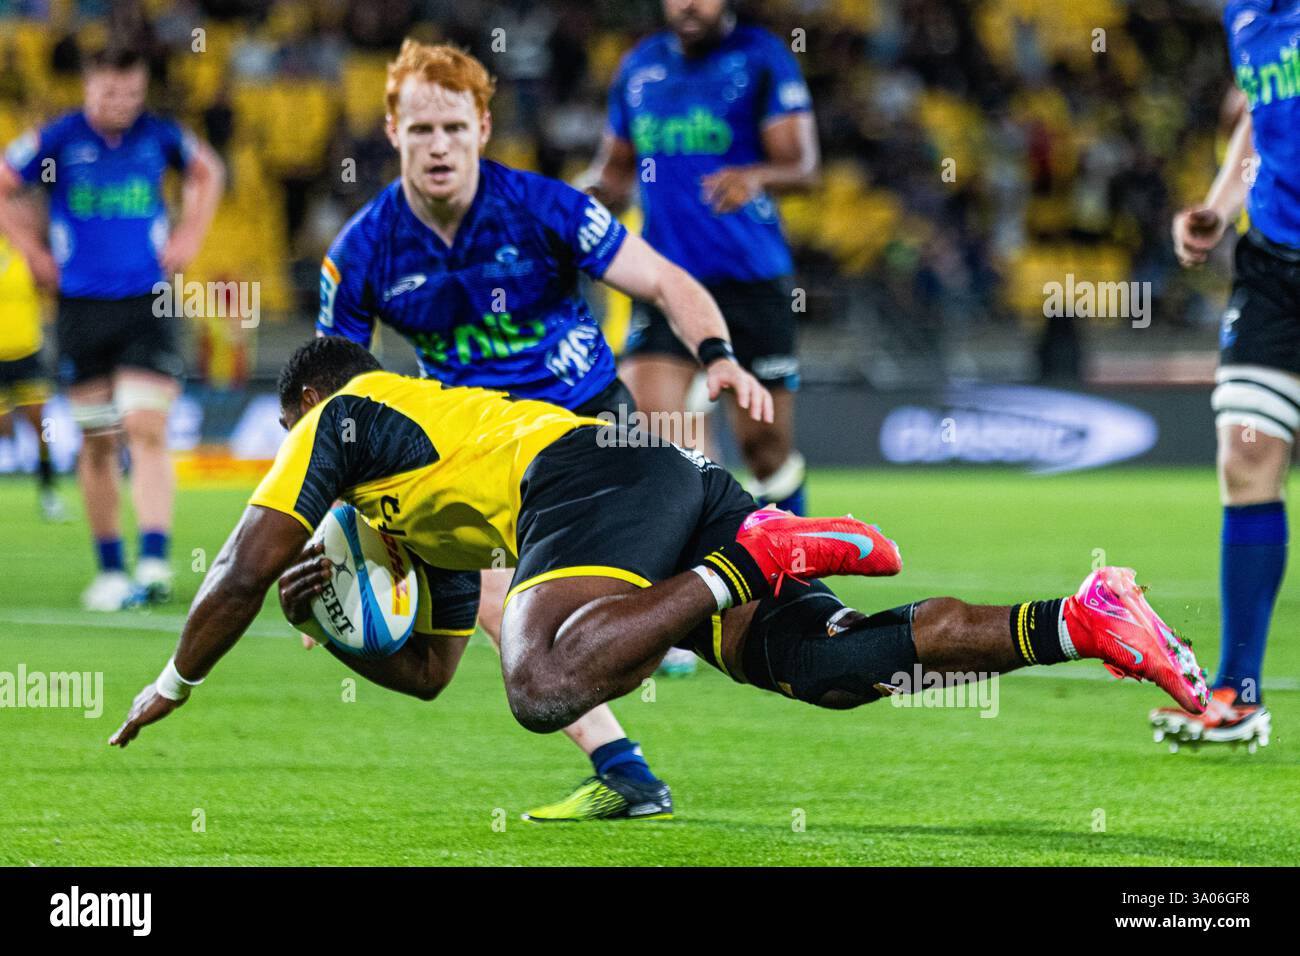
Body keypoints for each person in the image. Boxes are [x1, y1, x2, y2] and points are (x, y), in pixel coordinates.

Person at [109, 338, 1210, 790]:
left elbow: (239, 569)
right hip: (647, 492)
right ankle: (1084, 614)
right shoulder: (414, 516)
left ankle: (752, 556)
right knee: (822, 666)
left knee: (543, 684)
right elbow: (430, 670)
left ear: (304, 405)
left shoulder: (344, 413)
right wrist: (331, 630)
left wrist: (176, 679)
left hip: (594, 475)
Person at [317, 39, 773, 820]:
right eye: (422, 129)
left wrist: (719, 355)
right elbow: (339, 406)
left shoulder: (545, 208)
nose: (439, 147)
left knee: (733, 628)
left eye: (455, 128)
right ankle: (627, 770)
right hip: (479, 455)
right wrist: (333, 540)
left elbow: (662, 278)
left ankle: (793, 608)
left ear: (484, 127)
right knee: (504, 607)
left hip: (593, 433)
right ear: (392, 129)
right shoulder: (360, 252)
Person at [0, 45, 224, 610]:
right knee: (97, 441)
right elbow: (3, 179)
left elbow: (208, 169)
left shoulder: (161, 136)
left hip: (147, 302)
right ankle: (109, 568)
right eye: (107, 91)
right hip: (79, 307)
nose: (119, 102)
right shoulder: (58, 140)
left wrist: (191, 235)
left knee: (145, 426)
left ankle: (153, 561)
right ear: (88, 86)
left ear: (142, 89)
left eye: (129, 92)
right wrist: (30, 249)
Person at [584, 0, 819, 516]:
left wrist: (754, 176)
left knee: (765, 449)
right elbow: (616, 170)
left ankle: (795, 567)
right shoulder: (639, 65)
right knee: (658, 435)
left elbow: (803, 166)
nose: (689, 4)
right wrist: (579, 202)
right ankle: (711, 553)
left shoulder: (763, 57)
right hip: (664, 280)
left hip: (750, 281)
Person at [1162, 0, 1300, 747]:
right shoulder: (1244, 13)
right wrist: (1219, 205)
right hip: (1274, 266)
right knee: (1246, 459)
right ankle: (1238, 693)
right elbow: (1258, 115)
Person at [0, 210, 64, 521]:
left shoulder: (26, 252)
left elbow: (49, 287)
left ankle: (48, 490)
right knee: (3, 426)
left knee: (40, 424)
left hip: (27, 351)